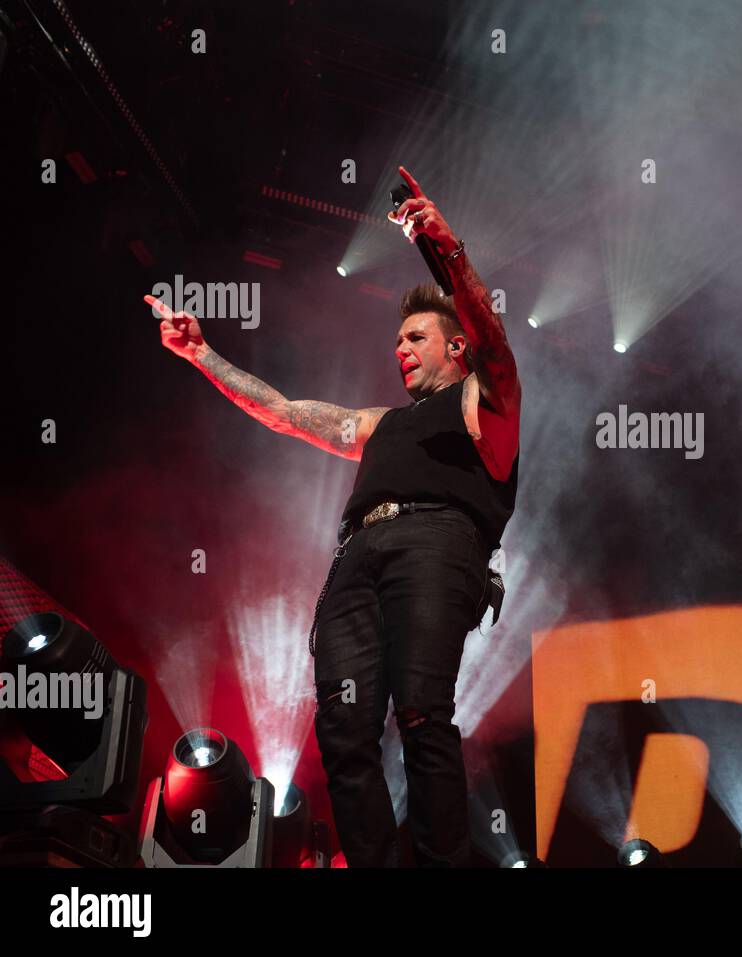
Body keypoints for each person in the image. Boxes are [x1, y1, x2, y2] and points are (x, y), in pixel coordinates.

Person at [146, 166, 521, 866]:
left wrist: (444, 250)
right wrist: (201, 353)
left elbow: (495, 342)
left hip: (438, 545)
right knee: (345, 732)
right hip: (357, 559)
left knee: (419, 711)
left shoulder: (482, 402)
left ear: (455, 347)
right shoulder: (378, 424)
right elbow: (284, 410)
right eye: (399, 339)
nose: (399, 349)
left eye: (416, 338)